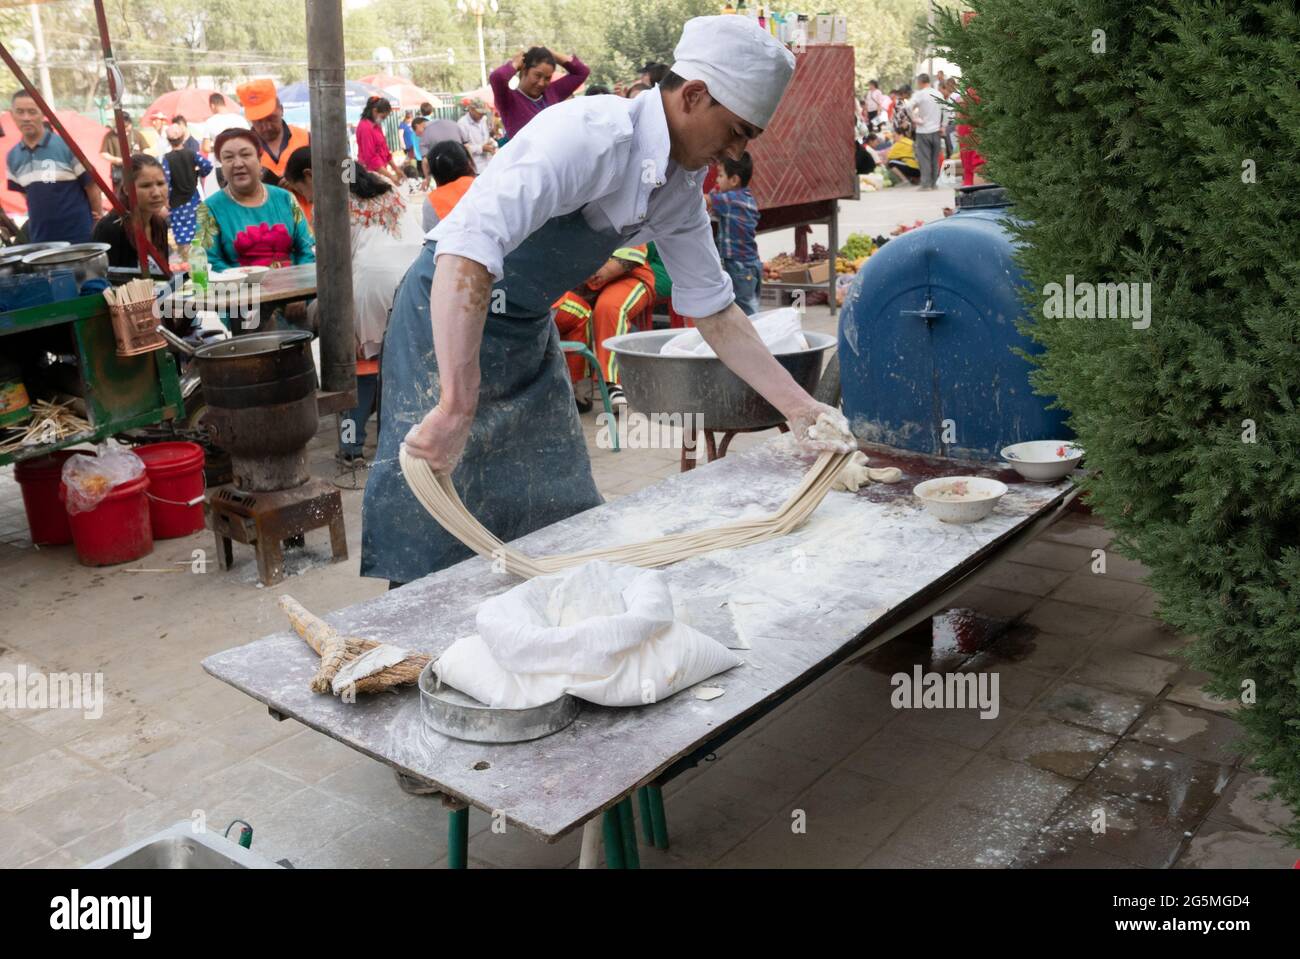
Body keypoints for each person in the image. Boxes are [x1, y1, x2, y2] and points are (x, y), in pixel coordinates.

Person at [361, 15, 855, 587]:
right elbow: (467, 253)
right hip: (442, 322)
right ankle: (421, 650)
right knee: (436, 520)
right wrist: (454, 404)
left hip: (522, 326)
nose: (736, 150)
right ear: (694, 95)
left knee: (551, 507)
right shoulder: (587, 134)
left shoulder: (679, 185)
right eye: (738, 130)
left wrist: (802, 410)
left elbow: (716, 311)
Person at [282, 146, 422, 465]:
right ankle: (397, 447)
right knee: (401, 364)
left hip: (371, 288)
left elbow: (334, 267)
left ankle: (350, 447)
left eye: (300, 190)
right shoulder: (381, 183)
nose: (305, 197)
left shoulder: (329, 201)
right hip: (416, 278)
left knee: (358, 372)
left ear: (309, 176)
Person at [553, 242, 657, 409]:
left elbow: (630, 254)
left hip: (626, 275)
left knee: (609, 307)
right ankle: (572, 385)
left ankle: (614, 383)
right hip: (579, 280)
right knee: (575, 311)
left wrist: (599, 272)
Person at [195, 128, 314, 272]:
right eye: (228, 158)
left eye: (245, 155)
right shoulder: (210, 209)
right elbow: (208, 260)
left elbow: (307, 248)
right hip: (241, 291)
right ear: (221, 165)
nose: (238, 164)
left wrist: (297, 281)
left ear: (259, 160)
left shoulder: (285, 198)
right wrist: (244, 281)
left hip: (296, 288)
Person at [6, 90, 101, 243]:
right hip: (41, 239)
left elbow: (92, 186)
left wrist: (97, 220)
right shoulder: (13, 157)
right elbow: (27, 194)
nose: (26, 118)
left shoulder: (66, 146)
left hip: (78, 236)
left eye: (32, 112)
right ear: (12, 115)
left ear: (43, 113)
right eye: (20, 112)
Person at [489, 46, 591, 139]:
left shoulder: (553, 92)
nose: (541, 83)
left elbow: (582, 72)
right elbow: (497, 77)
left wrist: (551, 53)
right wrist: (514, 64)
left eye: (547, 78)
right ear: (524, 70)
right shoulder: (508, 100)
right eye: (537, 75)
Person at [705, 151, 762, 316]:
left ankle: (754, 336)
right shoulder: (745, 197)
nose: (716, 179)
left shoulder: (731, 200)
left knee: (746, 309)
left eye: (720, 175)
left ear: (734, 180)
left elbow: (705, 200)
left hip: (739, 265)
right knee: (749, 303)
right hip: (751, 265)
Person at [91, 153, 169, 270]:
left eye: (160, 183)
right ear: (127, 189)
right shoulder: (110, 228)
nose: (157, 193)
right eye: (146, 186)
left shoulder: (160, 225)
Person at [236, 78, 310, 184]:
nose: (266, 127)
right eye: (258, 122)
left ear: (281, 109)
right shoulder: (241, 147)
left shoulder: (307, 139)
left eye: (271, 118)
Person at [162, 124, 212, 261]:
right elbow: (207, 166)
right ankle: (200, 258)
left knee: (181, 234)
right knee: (197, 229)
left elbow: (165, 179)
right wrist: (198, 173)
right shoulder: (192, 154)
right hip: (193, 198)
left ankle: (186, 261)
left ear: (168, 140)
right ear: (183, 137)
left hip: (176, 202)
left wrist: (165, 200)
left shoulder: (166, 158)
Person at [420, 140, 477, 233]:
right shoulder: (482, 185)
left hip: (451, 245)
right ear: (468, 162)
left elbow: (431, 237)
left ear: (434, 172)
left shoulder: (432, 201)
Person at [907, 73, 944, 190]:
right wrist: (943, 125)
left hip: (923, 130)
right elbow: (947, 110)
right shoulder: (938, 93)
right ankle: (933, 183)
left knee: (924, 158)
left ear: (920, 82)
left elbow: (908, 106)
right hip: (936, 130)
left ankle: (925, 184)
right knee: (934, 158)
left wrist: (914, 118)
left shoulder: (919, 94)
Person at [357, 97, 403, 184]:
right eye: (383, 117)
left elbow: (385, 151)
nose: (383, 119)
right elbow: (370, 158)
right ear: (374, 111)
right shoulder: (365, 128)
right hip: (371, 174)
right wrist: (390, 176)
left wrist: (396, 169)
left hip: (380, 171)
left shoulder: (377, 126)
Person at [98, 115, 149, 190]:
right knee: (120, 194)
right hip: (119, 171)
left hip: (136, 169)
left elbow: (146, 150)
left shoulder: (136, 134)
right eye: (121, 126)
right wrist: (116, 160)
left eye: (126, 126)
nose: (124, 129)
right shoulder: (110, 136)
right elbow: (103, 153)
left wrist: (140, 158)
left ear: (130, 124)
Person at [457, 97, 496, 174]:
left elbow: (485, 138)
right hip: (475, 168)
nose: (482, 114)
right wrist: (481, 148)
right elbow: (461, 149)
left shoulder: (483, 120)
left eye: (483, 113)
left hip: (488, 165)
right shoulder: (462, 124)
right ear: (471, 109)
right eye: (479, 112)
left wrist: (490, 143)